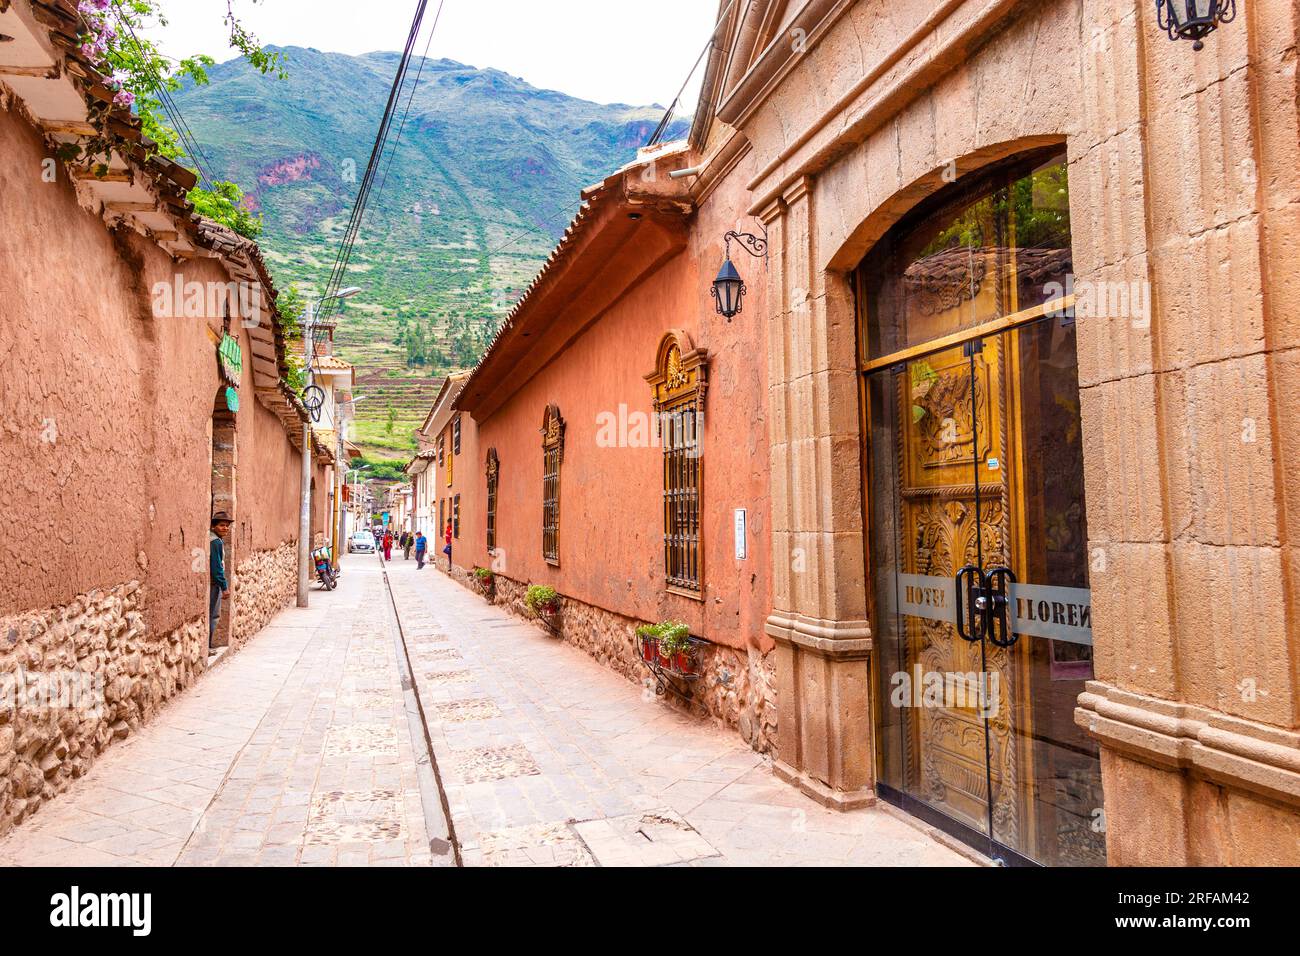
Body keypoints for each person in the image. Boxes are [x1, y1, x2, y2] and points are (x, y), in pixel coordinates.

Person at [209, 512, 232, 646]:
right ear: (214, 526)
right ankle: (208, 646)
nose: (225, 528)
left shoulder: (214, 540)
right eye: (222, 525)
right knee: (213, 615)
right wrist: (224, 587)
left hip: (213, 583)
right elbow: (217, 566)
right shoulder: (216, 542)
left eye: (227, 526)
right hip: (214, 584)